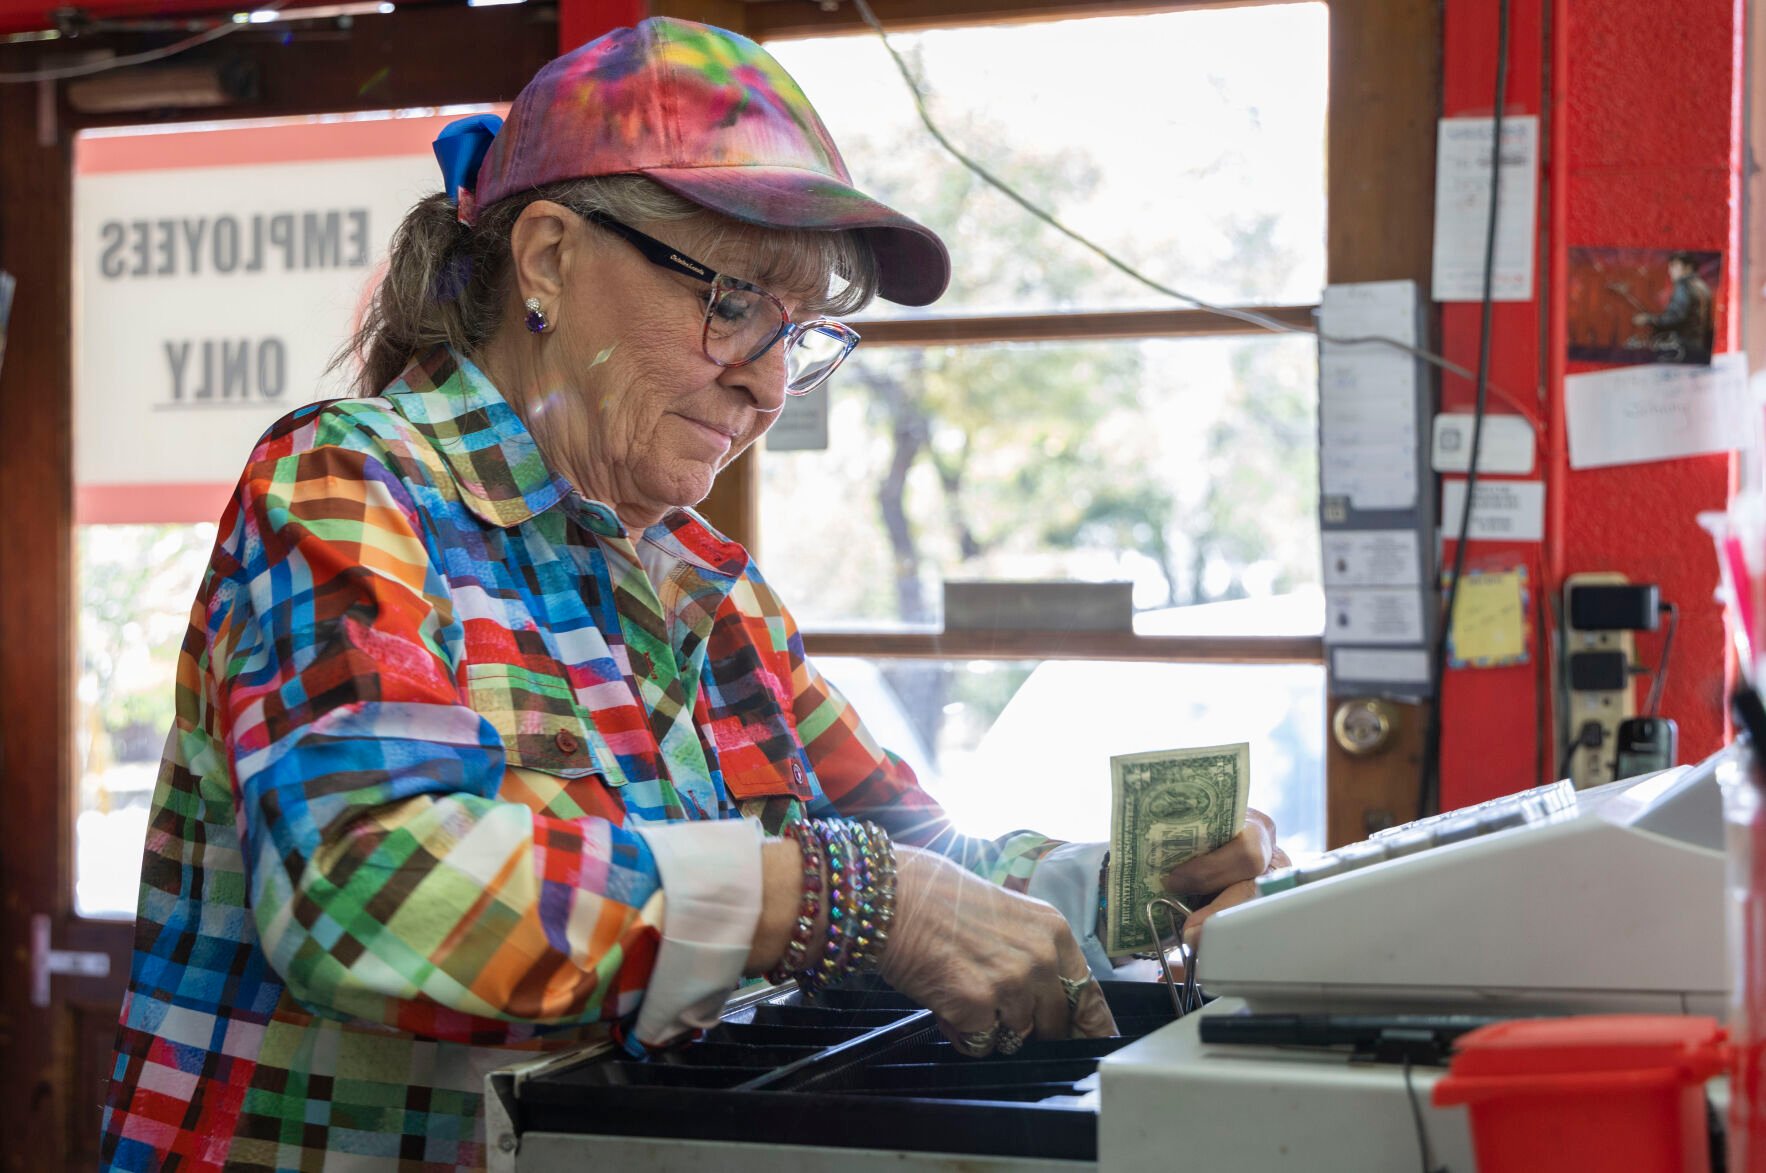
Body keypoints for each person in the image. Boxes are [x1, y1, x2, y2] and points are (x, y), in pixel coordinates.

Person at [99, 17, 1285, 1171]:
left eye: (798, 334)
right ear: (548, 259)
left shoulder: (708, 588)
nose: (767, 387)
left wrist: (1125, 885)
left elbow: (916, 854)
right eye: (733, 305)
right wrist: (832, 896)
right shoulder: (355, 482)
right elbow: (371, 891)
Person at [1631, 250, 1714, 362]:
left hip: (1682, 348)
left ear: (1688, 267)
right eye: (1670, 266)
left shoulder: (1683, 286)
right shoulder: (1702, 285)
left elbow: (1675, 317)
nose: (1670, 271)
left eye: (1674, 266)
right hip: (1700, 347)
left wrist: (1648, 319)